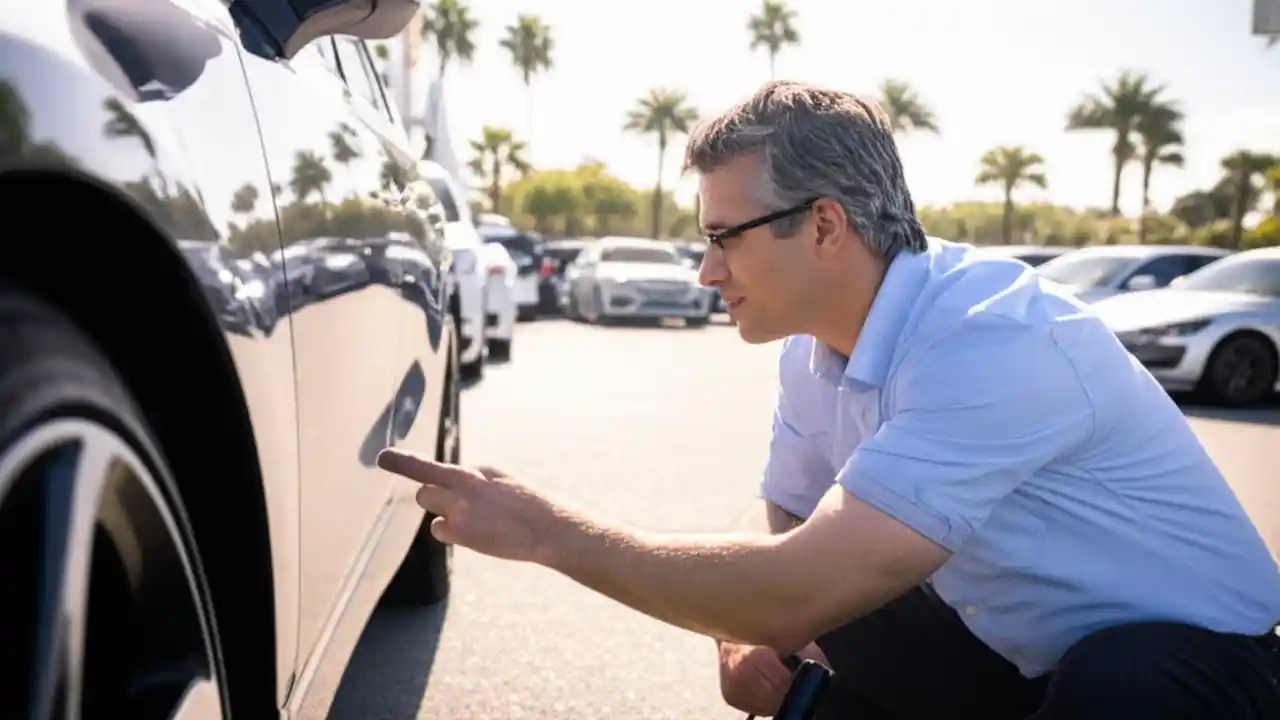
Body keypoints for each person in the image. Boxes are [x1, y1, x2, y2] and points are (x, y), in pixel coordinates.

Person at [377, 80, 1280, 719]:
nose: (704, 269)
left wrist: (547, 532)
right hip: (1026, 658)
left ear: (823, 224)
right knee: (837, 621)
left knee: (1119, 677)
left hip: (1201, 668)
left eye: (724, 236)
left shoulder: (991, 336)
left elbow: (796, 586)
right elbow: (788, 515)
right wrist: (739, 634)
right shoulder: (816, 349)